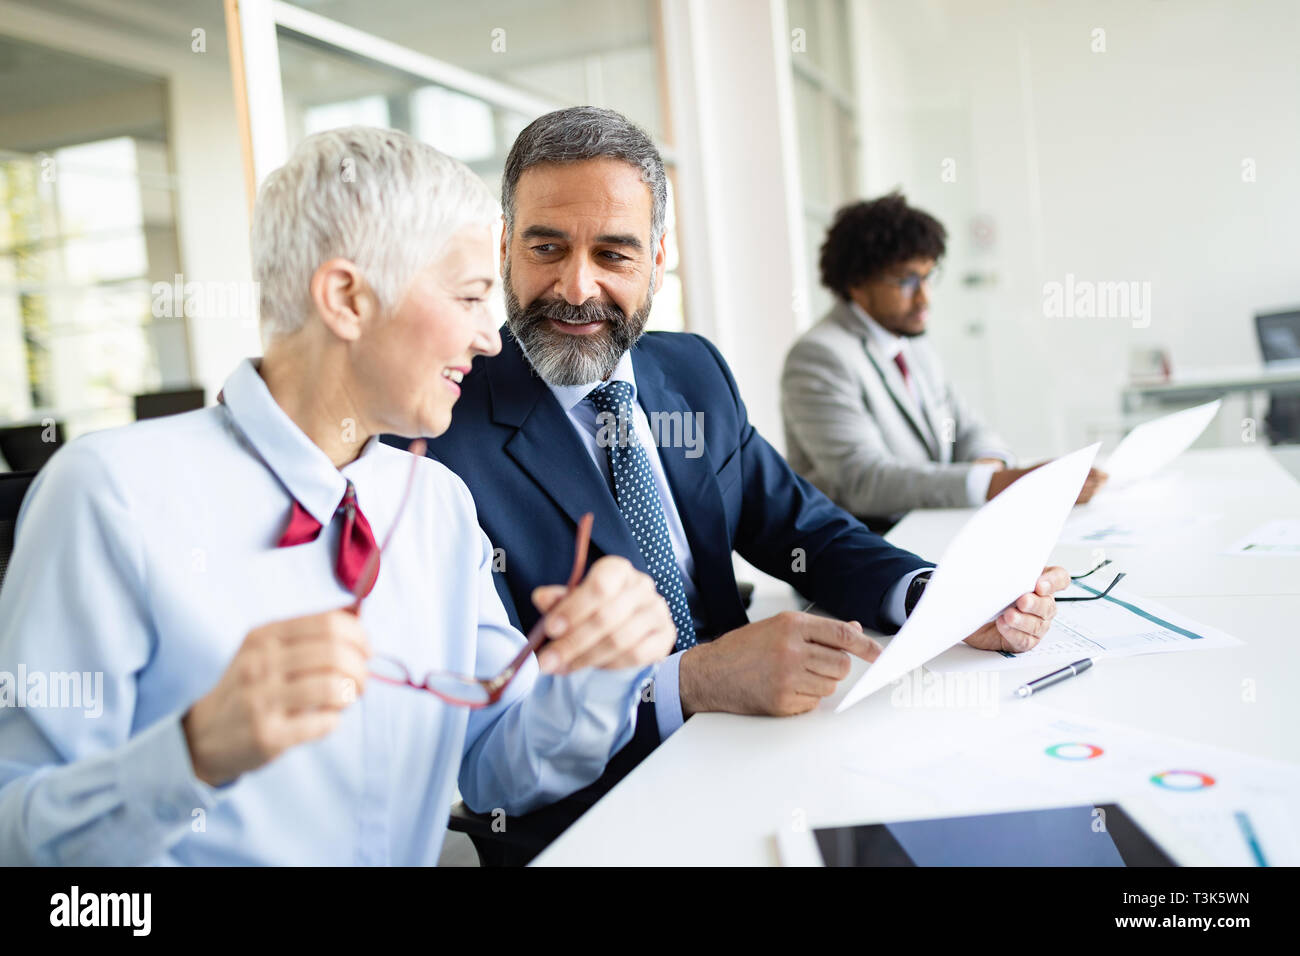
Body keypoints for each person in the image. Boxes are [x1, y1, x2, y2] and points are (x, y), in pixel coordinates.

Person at [400, 107, 1072, 856]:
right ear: (504, 249)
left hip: (762, 754)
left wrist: (938, 602)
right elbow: (488, 757)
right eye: (546, 247)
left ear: (659, 257)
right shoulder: (436, 434)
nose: (576, 287)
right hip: (596, 820)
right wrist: (694, 681)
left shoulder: (690, 371)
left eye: (614, 254)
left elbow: (804, 531)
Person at [0, 127, 675, 865]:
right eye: (471, 297)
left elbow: (496, 768)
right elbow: (18, 834)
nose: (491, 338)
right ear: (348, 298)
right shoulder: (111, 495)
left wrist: (603, 676)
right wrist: (190, 756)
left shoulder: (437, 505)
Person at [782, 192, 1106, 531]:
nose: (924, 297)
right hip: (864, 552)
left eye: (928, 276)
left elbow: (965, 426)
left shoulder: (909, 340)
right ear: (857, 284)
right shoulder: (819, 356)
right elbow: (863, 480)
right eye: (906, 280)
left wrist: (990, 465)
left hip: (928, 528)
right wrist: (995, 483)